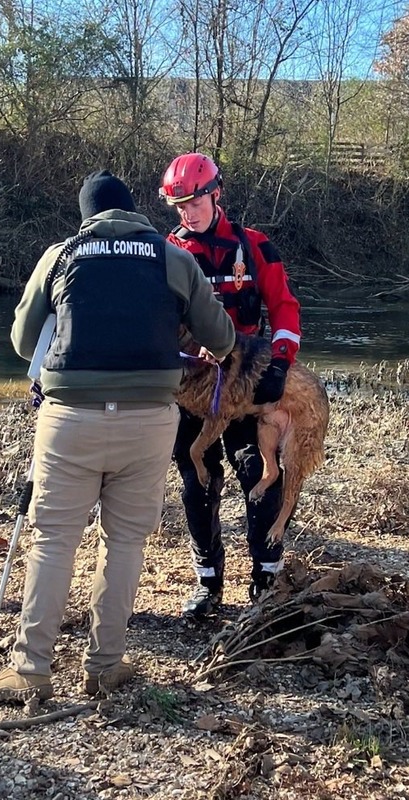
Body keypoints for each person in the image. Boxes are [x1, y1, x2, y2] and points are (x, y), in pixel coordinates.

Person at [0, 170, 234, 703]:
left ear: (87, 215)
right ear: (133, 211)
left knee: (52, 543)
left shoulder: (62, 254)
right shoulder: (172, 257)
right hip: (149, 422)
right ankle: (104, 665)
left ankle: (30, 670)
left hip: (69, 420)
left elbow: (26, 343)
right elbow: (222, 337)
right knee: (125, 542)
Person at [158, 153, 302, 616]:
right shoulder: (167, 252)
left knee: (259, 471)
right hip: (190, 384)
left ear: (215, 194)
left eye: (195, 202)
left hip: (246, 382)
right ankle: (208, 583)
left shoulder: (256, 247)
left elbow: (284, 308)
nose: (188, 212)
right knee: (196, 477)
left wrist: (280, 363)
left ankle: (265, 578)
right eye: (179, 206)